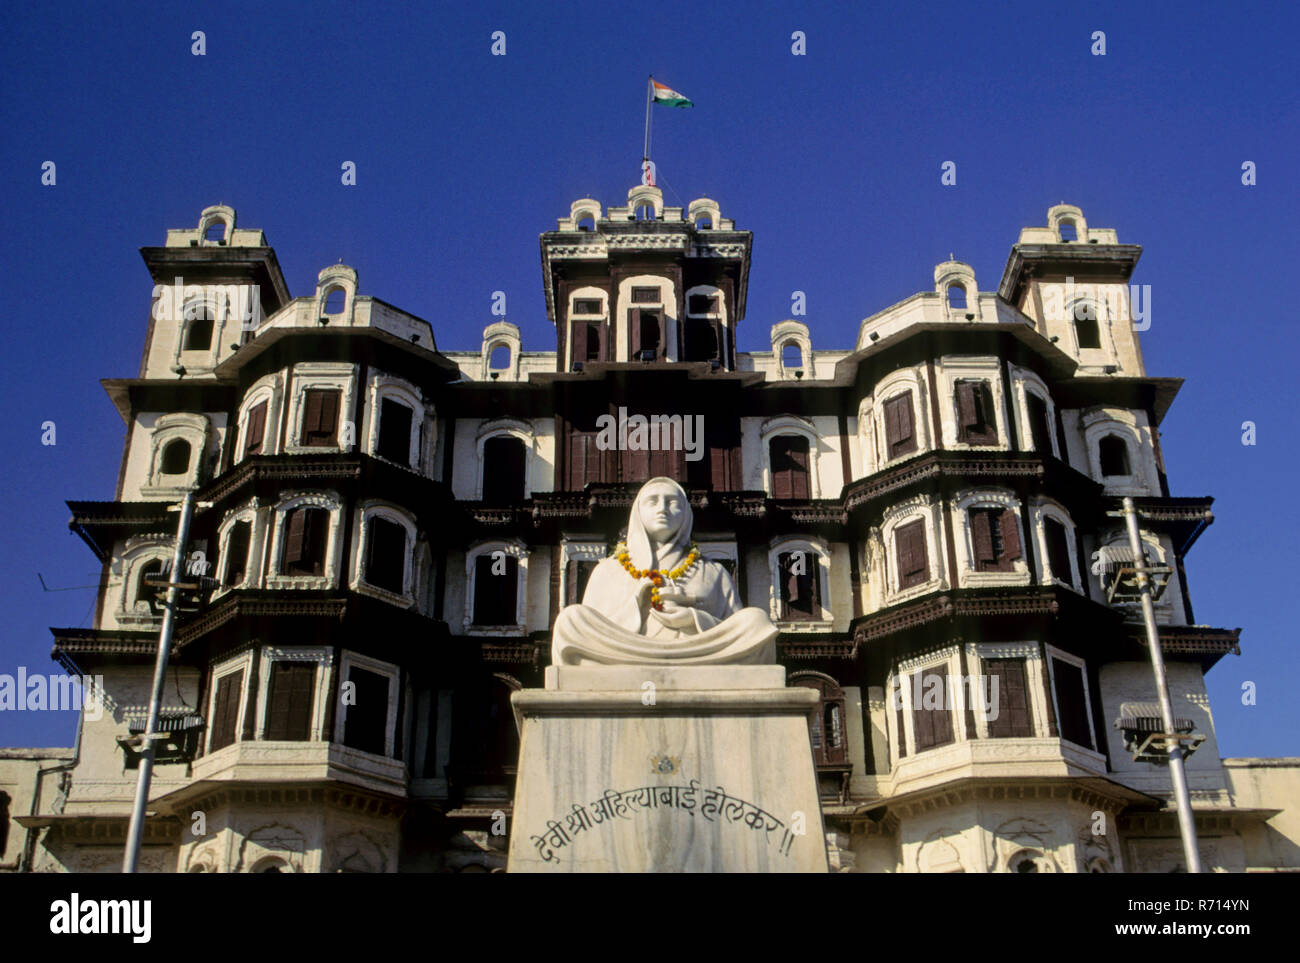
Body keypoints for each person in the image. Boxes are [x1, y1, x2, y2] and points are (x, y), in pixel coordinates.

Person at [551, 477, 778, 665]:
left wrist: (693, 619)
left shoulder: (714, 571)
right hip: (625, 652)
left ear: (686, 513)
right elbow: (597, 628)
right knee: (570, 619)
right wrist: (637, 606)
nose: (662, 509)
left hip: (696, 654)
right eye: (652, 502)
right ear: (638, 512)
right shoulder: (608, 569)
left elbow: (730, 627)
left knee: (756, 620)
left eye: (672, 502)